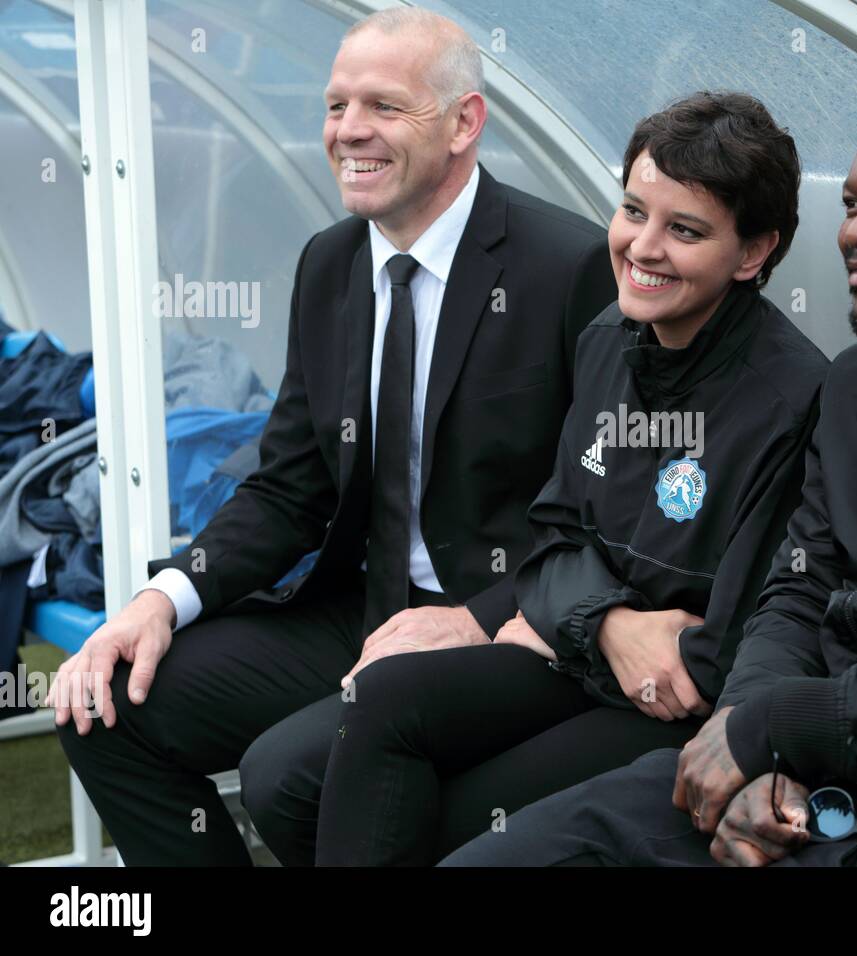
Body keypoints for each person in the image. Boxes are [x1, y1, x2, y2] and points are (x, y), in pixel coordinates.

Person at [46, 8, 616, 866]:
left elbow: (607, 510)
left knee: (289, 776)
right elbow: (289, 487)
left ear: (465, 123)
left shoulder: (567, 265)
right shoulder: (331, 264)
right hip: (364, 607)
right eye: (335, 105)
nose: (349, 130)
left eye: (385, 106)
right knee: (103, 704)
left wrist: (477, 616)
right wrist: (159, 599)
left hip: (507, 629)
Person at [443, 89, 857, 867]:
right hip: (788, 757)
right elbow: (799, 589)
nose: (853, 234)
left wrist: (781, 729)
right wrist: (743, 743)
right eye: (850, 204)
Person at [301, 91, 828, 865]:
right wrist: (605, 622)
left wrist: (569, 621)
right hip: (587, 655)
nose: (642, 247)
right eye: (633, 211)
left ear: (751, 254)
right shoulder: (609, 340)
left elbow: (721, 649)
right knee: (377, 703)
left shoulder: (791, 402)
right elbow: (549, 541)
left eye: (684, 230)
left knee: (464, 820)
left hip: (668, 708)